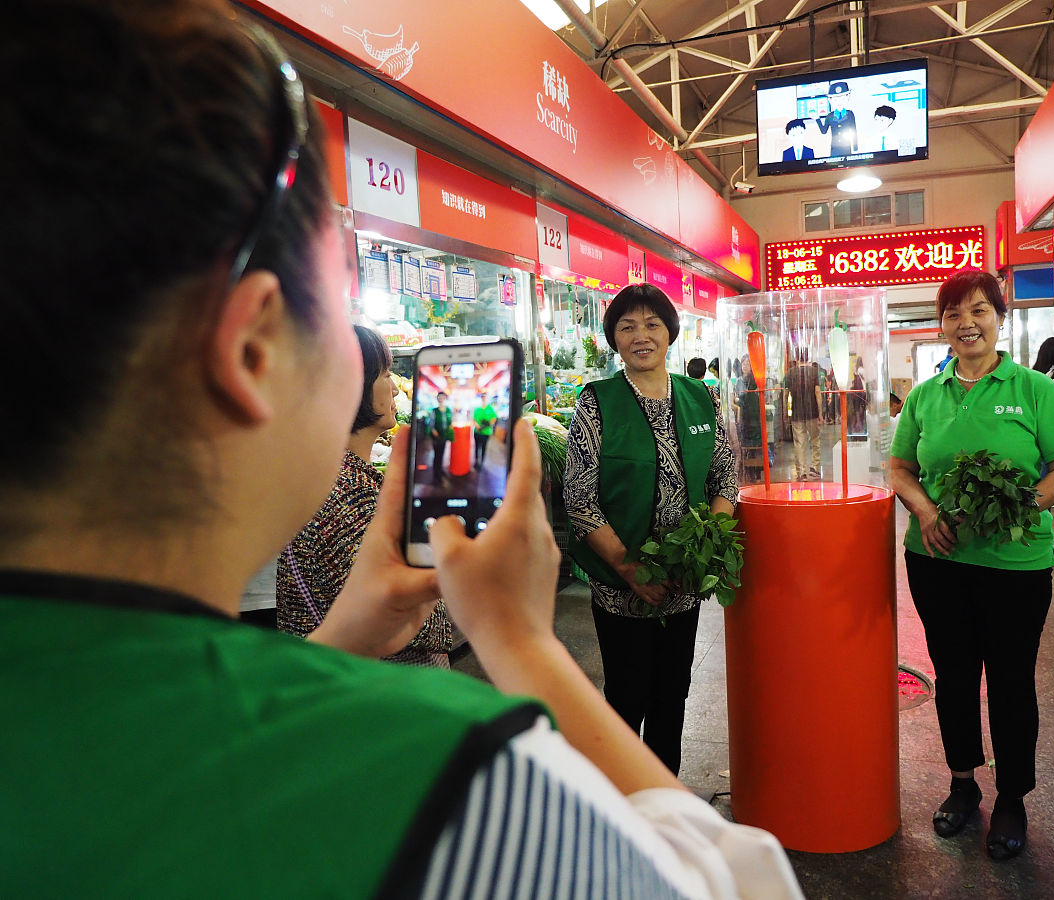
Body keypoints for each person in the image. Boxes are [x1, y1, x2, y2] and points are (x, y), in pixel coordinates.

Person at [0, 4, 804, 896]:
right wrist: (520, 639)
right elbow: (732, 884)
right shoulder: (450, 778)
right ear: (252, 351)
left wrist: (336, 643)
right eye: (334, 302)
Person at [888, 269, 1054, 862]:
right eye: (953, 313)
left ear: (1000, 319)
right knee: (952, 675)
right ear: (942, 325)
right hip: (938, 561)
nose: (966, 323)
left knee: (1010, 679)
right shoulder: (925, 396)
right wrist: (925, 511)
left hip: (1015, 565)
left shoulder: (1034, 390)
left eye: (978, 311)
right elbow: (900, 468)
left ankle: (1012, 798)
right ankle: (962, 784)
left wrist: (1020, 506)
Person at [565, 284, 738, 777]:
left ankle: (665, 794)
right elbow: (579, 498)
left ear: (670, 333)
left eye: (652, 324)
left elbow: (725, 477)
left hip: (683, 585)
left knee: (673, 693)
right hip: (621, 588)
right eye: (627, 327)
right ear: (614, 340)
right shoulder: (597, 403)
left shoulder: (700, 396)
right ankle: (623, 798)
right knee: (626, 696)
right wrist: (629, 568)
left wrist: (703, 549)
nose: (640, 336)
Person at [277, 325, 453, 667]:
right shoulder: (348, 494)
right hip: (379, 682)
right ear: (353, 388)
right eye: (385, 374)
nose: (394, 386)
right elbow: (392, 612)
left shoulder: (322, 474)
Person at [786, 350, 823, 479]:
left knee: (799, 443)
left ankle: (802, 472)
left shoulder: (790, 373)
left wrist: (787, 411)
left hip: (797, 413)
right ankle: (815, 468)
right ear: (808, 357)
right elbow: (817, 392)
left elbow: (787, 395)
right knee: (815, 440)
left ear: (796, 357)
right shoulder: (813, 372)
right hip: (812, 412)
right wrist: (820, 412)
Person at [816, 81, 857, 156]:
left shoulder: (850, 114)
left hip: (846, 148)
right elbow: (824, 131)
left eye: (842, 99)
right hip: (835, 149)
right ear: (830, 100)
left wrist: (855, 148)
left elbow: (854, 131)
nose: (839, 102)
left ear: (848, 97)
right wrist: (817, 119)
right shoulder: (830, 116)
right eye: (835, 100)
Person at [428, 390, 453, 481]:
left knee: (442, 453)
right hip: (436, 436)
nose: (441, 399)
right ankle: (436, 473)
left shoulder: (448, 410)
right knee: (437, 454)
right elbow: (430, 424)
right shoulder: (434, 411)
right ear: (437, 399)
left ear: (445, 399)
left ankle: (440, 469)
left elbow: (450, 421)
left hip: (444, 435)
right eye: (439, 397)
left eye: (443, 397)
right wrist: (434, 431)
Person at [472, 394, 497, 469]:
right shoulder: (477, 408)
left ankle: (482, 462)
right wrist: (477, 425)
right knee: (477, 447)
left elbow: (494, 418)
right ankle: (476, 462)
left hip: (486, 433)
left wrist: (487, 425)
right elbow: (474, 419)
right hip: (477, 432)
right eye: (482, 397)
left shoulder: (490, 408)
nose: (484, 399)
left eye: (485, 397)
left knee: (484, 448)